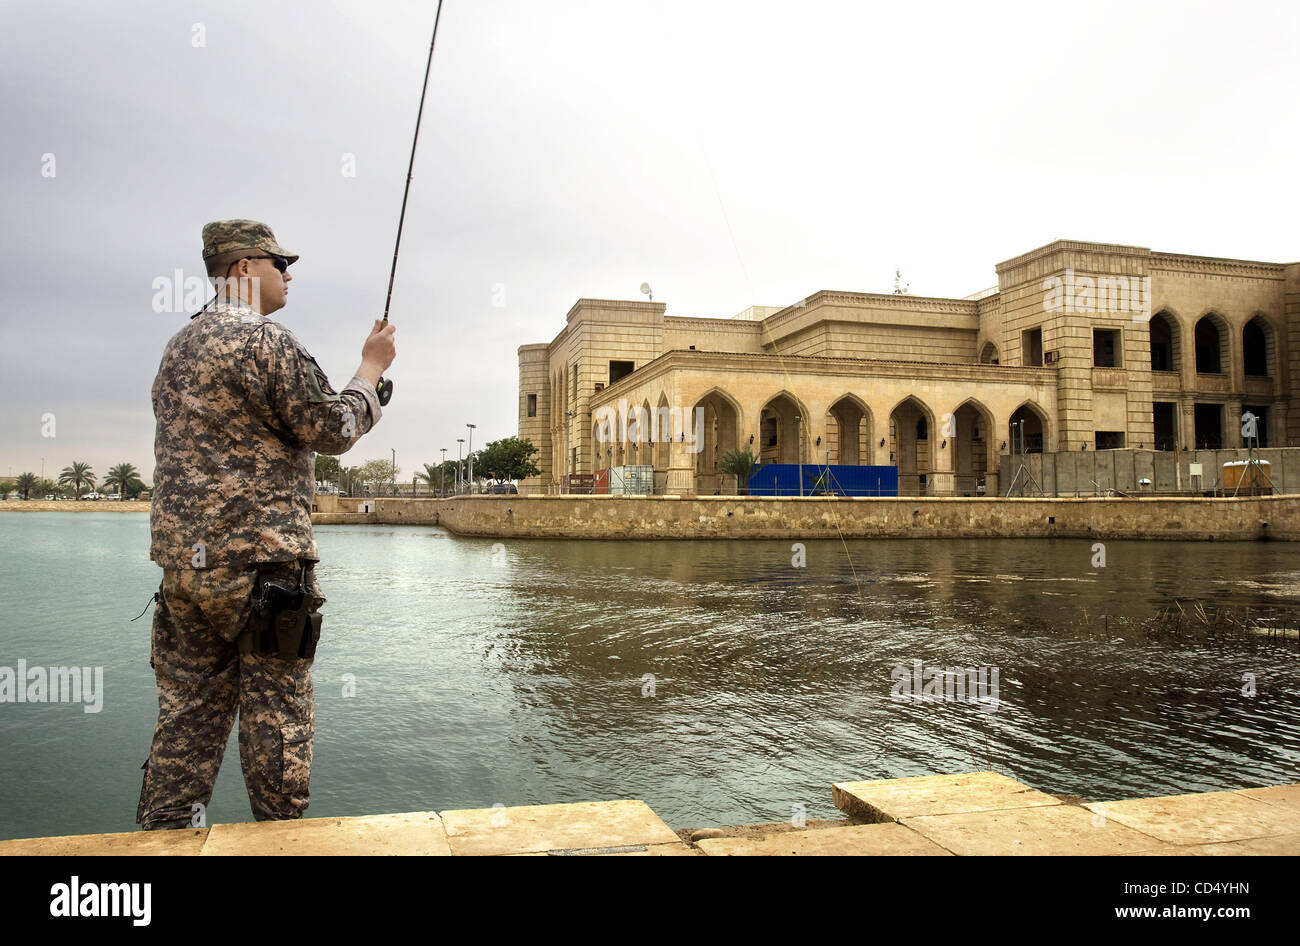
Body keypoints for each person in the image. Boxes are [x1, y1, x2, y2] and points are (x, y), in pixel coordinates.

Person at [137, 219, 396, 830]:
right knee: (278, 718)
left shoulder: (179, 346)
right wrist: (369, 370)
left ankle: (157, 845)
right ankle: (282, 844)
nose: (289, 274)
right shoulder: (265, 341)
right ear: (245, 267)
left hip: (184, 572)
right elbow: (332, 429)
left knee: (186, 717)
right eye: (280, 263)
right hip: (264, 571)